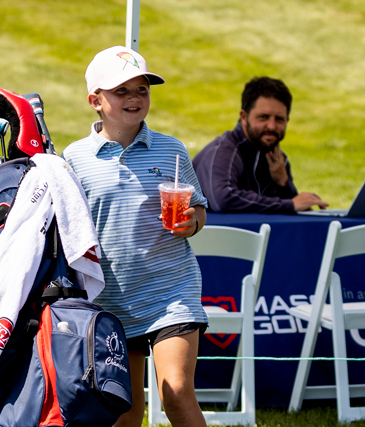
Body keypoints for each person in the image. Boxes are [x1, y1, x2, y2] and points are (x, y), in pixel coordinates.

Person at [63, 46, 209, 427]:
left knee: (176, 391)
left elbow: (199, 209)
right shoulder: (75, 158)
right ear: (95, 100)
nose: (134, 98)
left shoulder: (171, 148)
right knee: (124, 409)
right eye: (121, 91)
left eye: (141, 90)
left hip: (170, 292)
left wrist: (189, 222)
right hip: (109, 299)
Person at [191, 76, 328, 213]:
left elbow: (293, 210)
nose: (272, 126)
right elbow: (223, 200)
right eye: (263, 117)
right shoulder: (224, 151)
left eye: (279, 119)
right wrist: (289, 205)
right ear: (244, 117)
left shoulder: (277, 158)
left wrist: (284, 184)